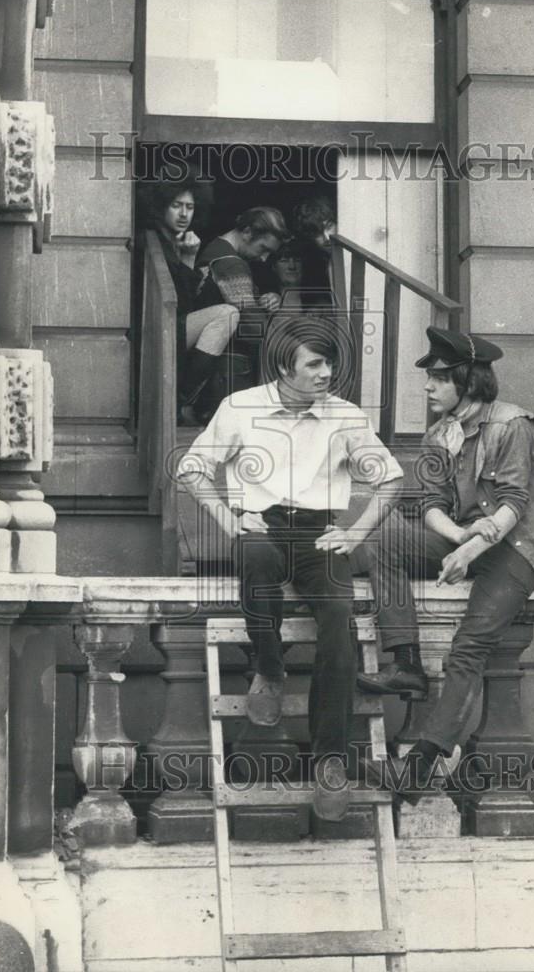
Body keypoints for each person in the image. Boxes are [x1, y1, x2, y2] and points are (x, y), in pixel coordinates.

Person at [178, 317, 404, 821]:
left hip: (321, 533)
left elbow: (390, 481)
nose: (326, 374)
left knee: (339, 621)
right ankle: (269, 670)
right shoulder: (241, 408)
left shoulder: (345, 417)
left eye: (330, 364)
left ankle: (330, 761)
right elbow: (191, 468)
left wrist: (355, 532)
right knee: (256, 559)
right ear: (285, 367)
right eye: (315, 364)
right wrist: (231, 518)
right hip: (262, 525)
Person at [358, 327, 534, 799]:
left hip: (516, 549)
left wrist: (470, 550)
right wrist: (457, 539)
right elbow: (430, 504)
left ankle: (420, 767)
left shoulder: (512, 425)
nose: (428, 386)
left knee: (467, 650)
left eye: (439, 378)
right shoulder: (437, 435)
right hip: (470, 539)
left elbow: (512, 502)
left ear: (467, 381)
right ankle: (405, 661)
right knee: (384, 539)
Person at [147, 177, 239, 426]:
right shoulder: (153, 242)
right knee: (227, 314)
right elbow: (176, 304)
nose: (183, 213)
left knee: (227, 316)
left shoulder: (177, 243)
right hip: (153, 328)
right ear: (161, 205)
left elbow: (185, 306)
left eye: (190, 207)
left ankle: (181, 399)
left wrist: (189, 258)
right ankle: (180, 400)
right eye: (176, 205)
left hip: (171, 326)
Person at [194, 207, 290, 395]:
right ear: (247, 232)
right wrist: (296, 347)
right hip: (229, 370)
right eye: (263, 249)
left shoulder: (216, 248)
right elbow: (253, 325)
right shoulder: (230, 263)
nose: (264, 258)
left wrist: (267, 300)